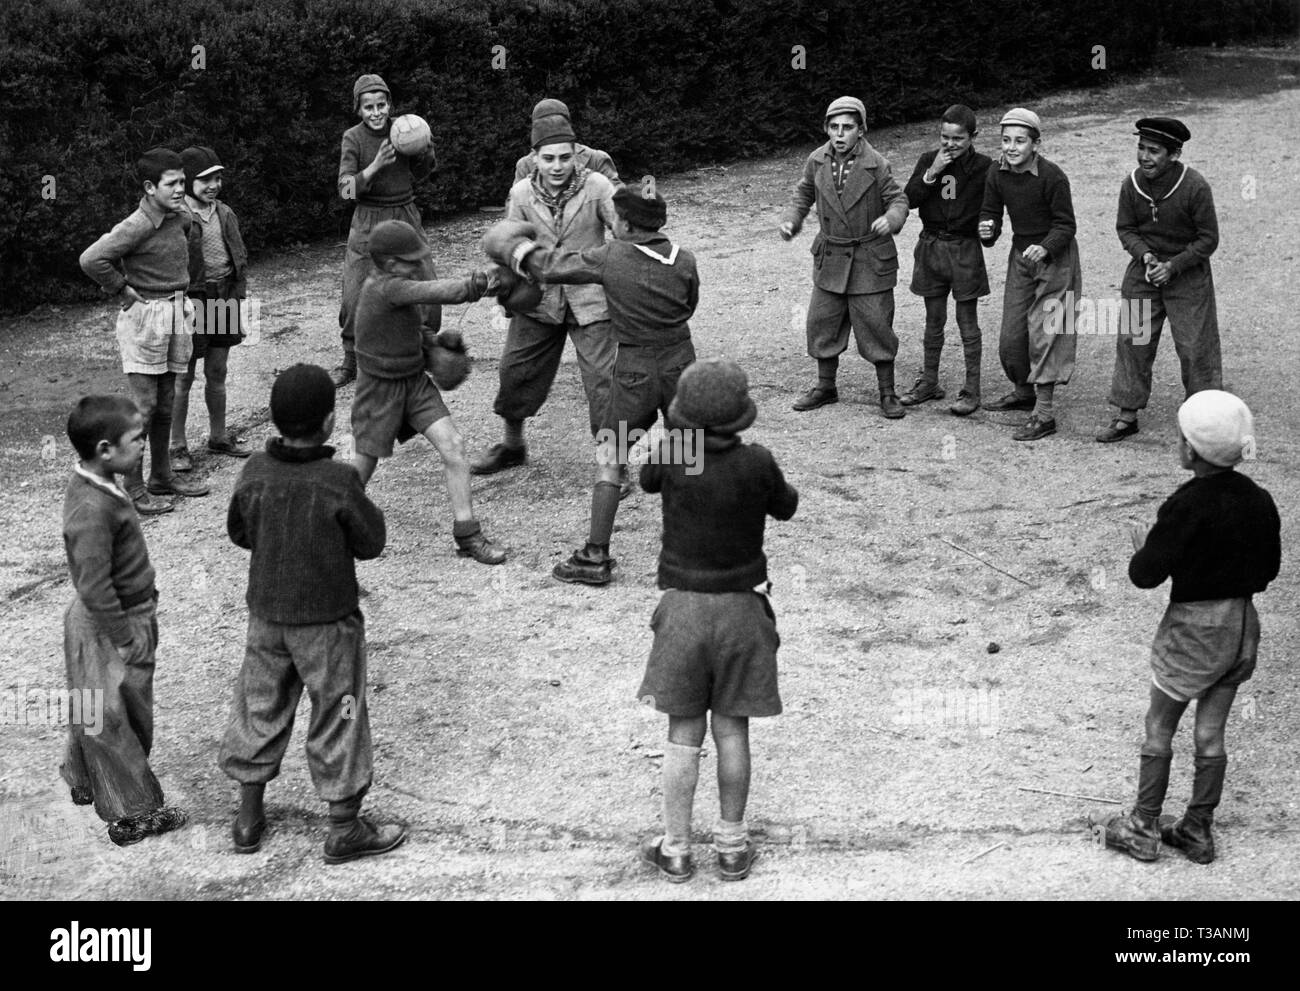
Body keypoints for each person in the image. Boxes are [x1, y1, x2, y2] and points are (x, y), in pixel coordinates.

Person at [220, 363, 408, 863]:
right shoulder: (338, 480)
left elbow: (239, 531)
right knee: (340, 710)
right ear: (329, 422)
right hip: (328, 625)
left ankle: (247, 818)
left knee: (260, 706)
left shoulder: (253, 472)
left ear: (275, 422)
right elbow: (371, 543)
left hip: (266, 620)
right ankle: (344, 827)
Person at [1096, 391, 1280, 864]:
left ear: (1191, 451)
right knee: (1211, 734)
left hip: (1193, 630)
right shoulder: (1259, 500)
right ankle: (1198, 828)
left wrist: (1146, 546)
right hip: (1241, 625)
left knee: (1159, 725)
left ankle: (1142, 824)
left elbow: (1145, 575)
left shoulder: (1187, 504)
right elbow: (1269, 569)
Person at [481, 186, 698, 585]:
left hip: (634, 370)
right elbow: (690, 304)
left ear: (627, 224)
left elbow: (551, 267)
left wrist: (514, 250)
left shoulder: (612, 256)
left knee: (611, 455)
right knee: (690, 455)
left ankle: (595, 556)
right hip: (683, 367)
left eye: (615, 218)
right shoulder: (684, 259)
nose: (611, 222)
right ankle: (690, 555)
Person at [634, 358, 798, 882]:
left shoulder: (675, 454)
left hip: (682, 609)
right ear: (740, 415)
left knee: (683, 732)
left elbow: (645, 478)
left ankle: (677, 847)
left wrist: (675, 431)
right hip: (742, 613)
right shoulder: (757, 461)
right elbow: (787, 507)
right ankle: (731, 844)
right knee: (732, 731)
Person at [60, 395, 188, 846]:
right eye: (136, 439)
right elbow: (95, 586)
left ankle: (84, 776)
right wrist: (125, 637)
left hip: (102, 616)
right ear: (104, 450)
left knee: (94, 704)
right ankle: (132, 814)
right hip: (113, 620)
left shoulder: (99, 484)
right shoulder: (93, 509)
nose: (144, 445)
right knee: (122, 717)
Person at [350, 220, 506, 564]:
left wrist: (432, 343)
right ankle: (326, 527)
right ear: (391, 265)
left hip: (413, 382)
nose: (420, 264)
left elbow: (405, 325)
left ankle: (467, 534)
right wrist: (477, 284)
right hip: (379, 390)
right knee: (362, 467)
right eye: (411, 260)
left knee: (454, 446)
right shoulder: (386, 287)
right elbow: (438, 291)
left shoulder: (395, 285)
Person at [472, 113, 619, 476]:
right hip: (539, 299)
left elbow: (625, 234)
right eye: (548, 158)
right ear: (534, 157)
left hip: (591, 299)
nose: (557, 166)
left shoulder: (598, 186)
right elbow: (510, 241)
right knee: (515, 372)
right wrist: (507, 289)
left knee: (604, 384)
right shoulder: (521, 193)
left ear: (576, 155)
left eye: (564, 157)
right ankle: (512, 445)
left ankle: (614, 466)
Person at [79, 147, 211, 513]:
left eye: (183, 182)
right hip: (145, 317)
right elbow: (91, 259)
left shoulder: (180, 218)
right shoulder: (136, 224)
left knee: (167, 401)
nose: (181, 189)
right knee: (145, 405)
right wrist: (122, 289)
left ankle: (162, 477)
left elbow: (186, 237)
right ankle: (133, 487)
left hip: (176, 311)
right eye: (172, 184)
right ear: (150, 187)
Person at [779, 95, 909, 418]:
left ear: (861, 130)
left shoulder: (876, 163)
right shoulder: (816, 160)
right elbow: (803, 193)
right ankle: (826, 386)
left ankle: (887, 392)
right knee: (822, 321)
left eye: (847, 127)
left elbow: (899, 200)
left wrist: (891, 220)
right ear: (826, 128)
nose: (839, 134)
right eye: (833, 127)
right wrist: (792, 220)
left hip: (869, 256)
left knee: (876, 323)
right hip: (832, 254)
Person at [1098, 117, 1221, 443]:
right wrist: (1146, 256)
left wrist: (1175, 265)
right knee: (1132, 341)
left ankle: (1202, 419)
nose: (1144, 157)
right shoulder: (1132, 184)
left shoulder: (1195, 187)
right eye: (1141, 148)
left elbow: (1208, 240)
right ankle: (1126, 414)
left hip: (1187, 275)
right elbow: (1126, 228)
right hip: (1145, 272)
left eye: (1154, 151)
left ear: (1174, 154)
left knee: (1195, 346)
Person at [978, 108, 1082, 441]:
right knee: (1012, 334)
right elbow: (990, 216)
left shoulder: (1053, 177)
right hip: (1021, 257)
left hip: (1055, 259)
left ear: (1035, 144)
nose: (1011, 147)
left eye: (1020, 141)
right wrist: (987, 230)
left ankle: (1045, 413)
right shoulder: (996, 174)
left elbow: (1066, 224)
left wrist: (1047, 247)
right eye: (1006, 140)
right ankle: (1024, 393)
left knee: (1045, 331)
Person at [334, 73, 438, 388]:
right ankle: (351, 359)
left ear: (389, 104)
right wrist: (376, 164)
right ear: (359, 110)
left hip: (405, 214)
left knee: (426, 282)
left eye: (381, 105)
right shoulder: (353, 138)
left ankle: (426, 347)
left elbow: (422, 173)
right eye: (369, 107)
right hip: (368, 219)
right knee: (355, 291)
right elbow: (345, 190)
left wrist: (425, 151)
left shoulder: (404, 128)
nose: (376, 112)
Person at [900, 105, 993, 416]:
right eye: (945, 137)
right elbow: (909, 199)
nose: (950, 144)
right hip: (931, 246)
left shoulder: (984, 167)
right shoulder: (929, 159)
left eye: (958, 139)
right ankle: (929, 381)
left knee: (968, 322)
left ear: (973, 137)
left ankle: (972, 389)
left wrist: (989, 230)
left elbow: (991, 212)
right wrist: (933, 171)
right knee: (933, 320)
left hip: (964, 249)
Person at [170, 145, 253, 469]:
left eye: (218, 178)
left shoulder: (225, 213)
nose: (213, 185)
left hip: (224, 296)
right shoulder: (177, 217)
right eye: (205, 180)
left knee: (217, 371)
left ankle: (218, 436)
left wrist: (239, 293)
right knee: (183, 377)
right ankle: (177, 447)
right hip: (192, 300)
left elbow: (240, 254)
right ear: (188, 182)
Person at [512, 98, 620, 184]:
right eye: (545, 126)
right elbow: (514, 204)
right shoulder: (525, 165)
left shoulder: (596, 159)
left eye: (559, 123)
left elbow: (619, 200)